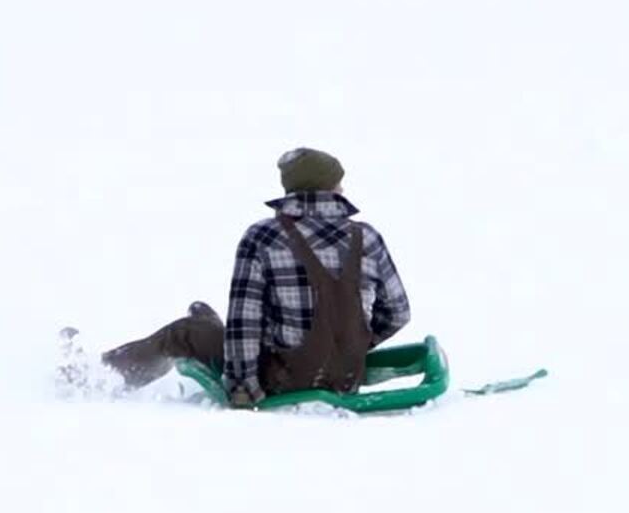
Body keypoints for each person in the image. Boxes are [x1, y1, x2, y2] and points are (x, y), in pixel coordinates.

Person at [100, 147, 411, 407]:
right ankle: (207, 323)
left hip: (278, 380)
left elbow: (245, 322)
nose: (343, 188)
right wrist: (350, 343)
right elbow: (398, 313)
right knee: (204, 314)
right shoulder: (367, 237)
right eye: (339, 183)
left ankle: (100, 375)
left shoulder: (264, 236)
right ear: (330, 188)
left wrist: (243, 387)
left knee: (183, 332)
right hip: (346, 378)